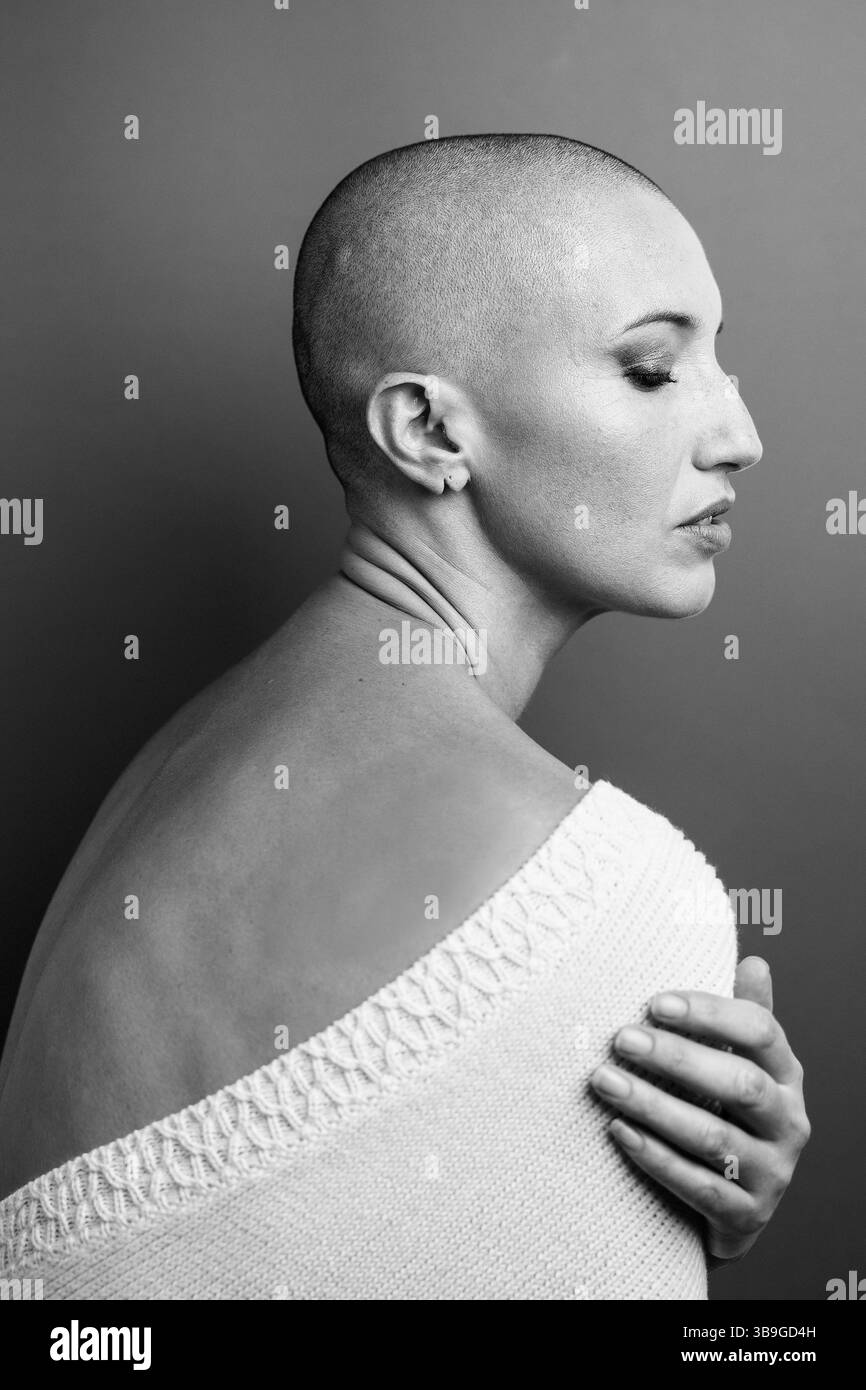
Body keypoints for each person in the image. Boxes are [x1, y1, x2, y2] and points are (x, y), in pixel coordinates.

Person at [0, 134, 809, 1299]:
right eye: (649, 368)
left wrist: (658, 1222)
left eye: (718, 361)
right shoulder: (604, 891)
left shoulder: (181, 766)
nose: (738, 434)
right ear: (429, 432)